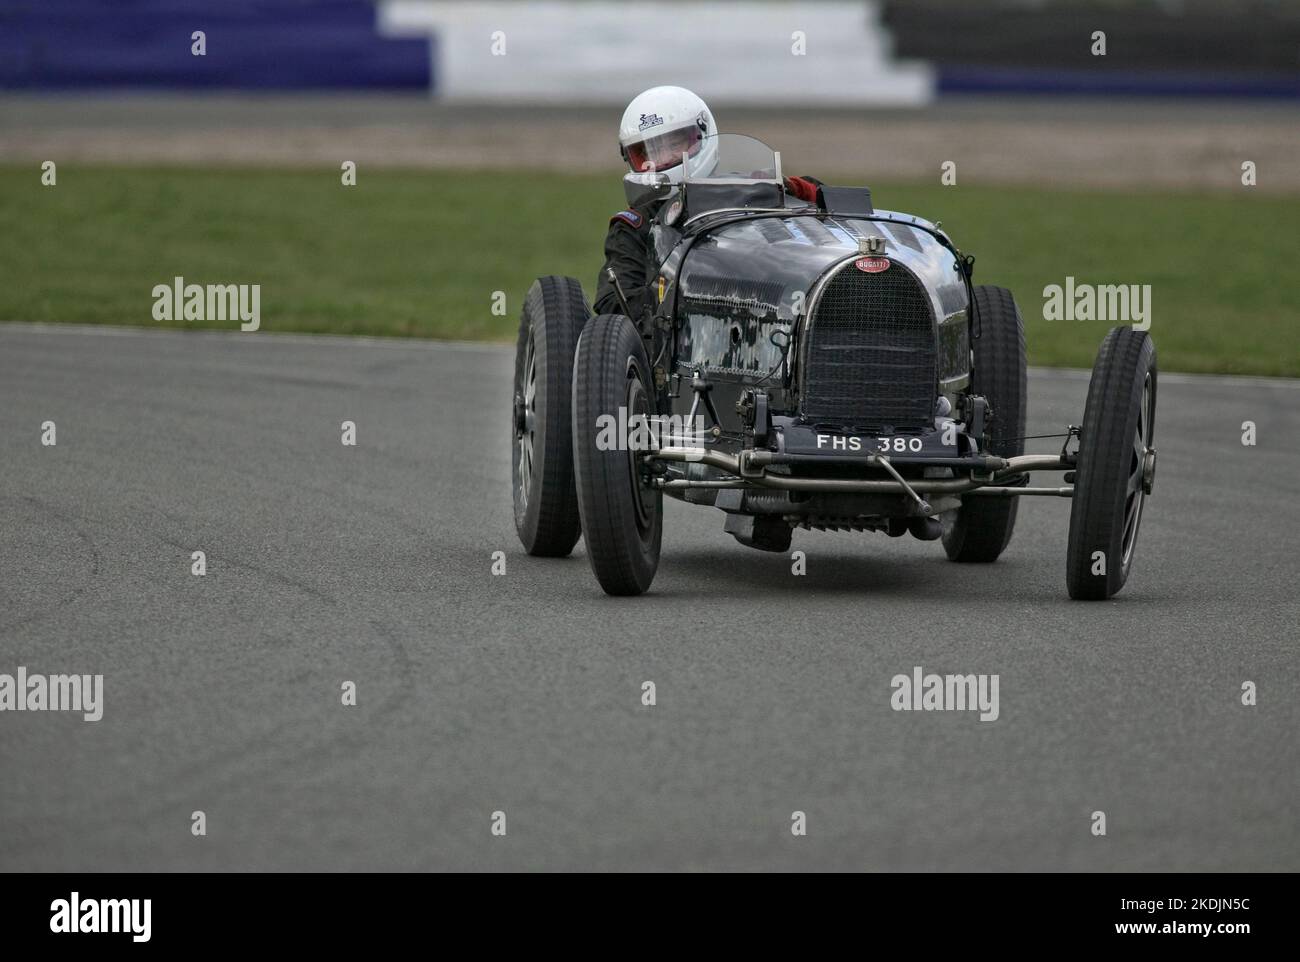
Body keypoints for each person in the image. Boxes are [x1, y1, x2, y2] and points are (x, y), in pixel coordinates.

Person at [593, 86, 822, 318]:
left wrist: (787, 187)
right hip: (685, 334)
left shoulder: (745, 188)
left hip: (770, 311)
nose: (663, 159)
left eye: (674, 146)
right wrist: (675, 295)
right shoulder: (636, 226)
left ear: (702, 134)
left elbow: (824, 199)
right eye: (650, 153)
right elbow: (613, 304)